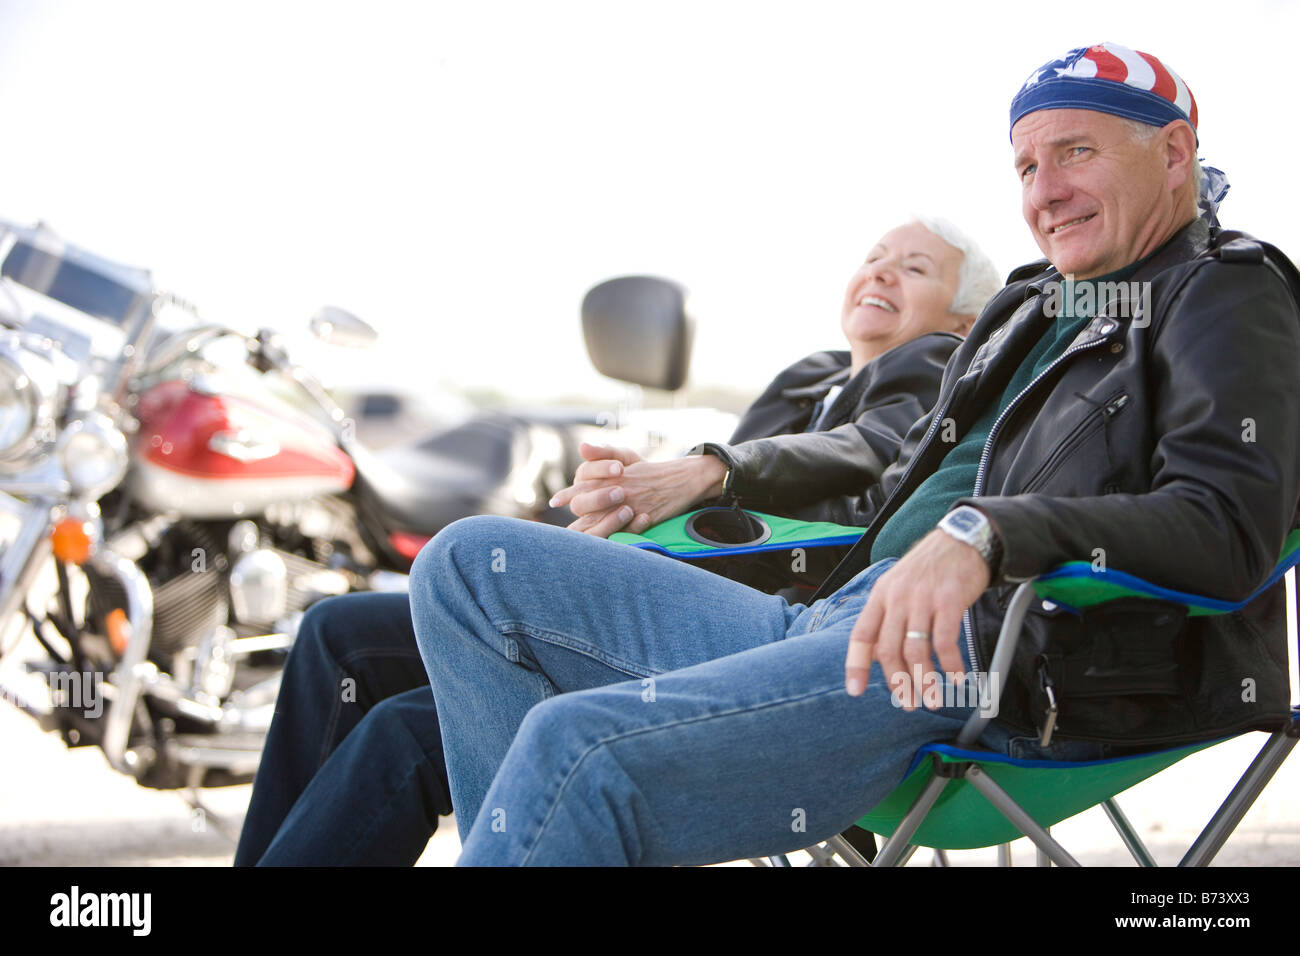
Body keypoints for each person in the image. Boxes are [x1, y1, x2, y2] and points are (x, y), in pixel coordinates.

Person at [408, 41, 1300, 865]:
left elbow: (1229, 528)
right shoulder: (1034, 304)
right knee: (467, 565)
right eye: (1027, 166)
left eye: (1076, 153)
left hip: (985, 654)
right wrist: (693, 483)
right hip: (837, 615)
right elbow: (892, 468)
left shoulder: (1224, 292)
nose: (1044, 192)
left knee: (577, 741)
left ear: (1176, 152)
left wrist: (988, 535)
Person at [233, 216, 1000, 865]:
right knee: (338, 633)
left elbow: (867, 453)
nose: (881, 273)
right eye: (874, 257)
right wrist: (630, 504)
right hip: (683, 591)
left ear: (964, 323)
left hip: (757, 634)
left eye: (915, 268)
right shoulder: (813, 375)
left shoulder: (937, 370)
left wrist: (710, 471)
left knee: (405, 724)